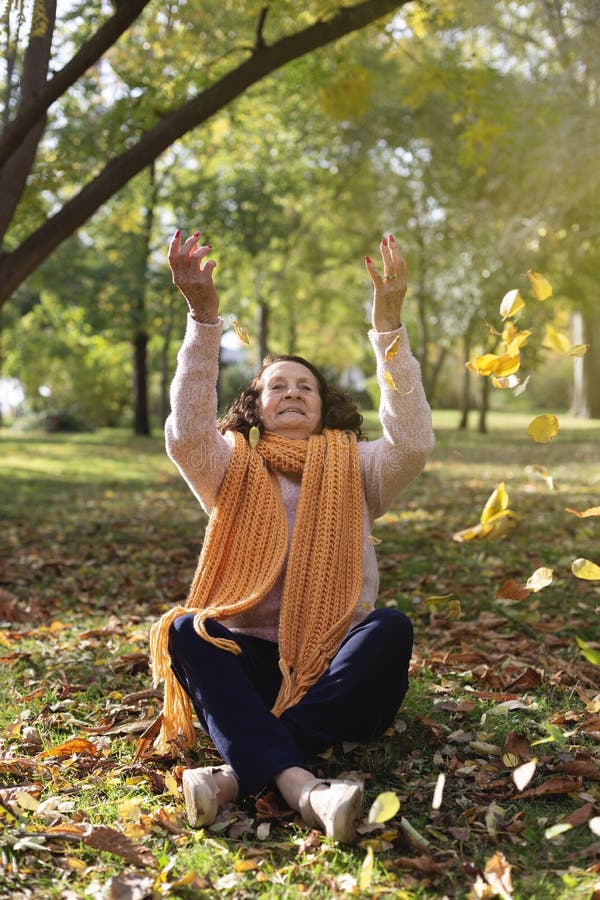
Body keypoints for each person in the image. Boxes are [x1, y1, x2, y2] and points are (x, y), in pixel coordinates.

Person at [149, 228, 435, 844]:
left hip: (335, 664)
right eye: (277, 385)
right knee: (184, 628)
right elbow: (184, 431)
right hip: (251, 664)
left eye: (305, 386)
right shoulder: (227, 467)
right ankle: (304, 787)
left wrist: (389, 331)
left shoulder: (358, 466)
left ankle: (233, 775)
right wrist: (203, 321)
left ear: (324, 405)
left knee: (390, 629)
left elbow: (412, 440)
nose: (292, 392)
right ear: (254, 404)